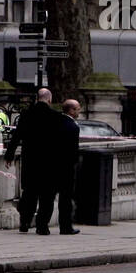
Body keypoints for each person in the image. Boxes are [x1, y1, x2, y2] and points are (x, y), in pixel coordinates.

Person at [4, 88, 63, 235]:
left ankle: (25, 222)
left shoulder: (26, 114)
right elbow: (60, 140)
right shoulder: (55, 116)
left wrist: (9, 155)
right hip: (50, 162)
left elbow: (17, 136)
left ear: (37, 98)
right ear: (49, 99)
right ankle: (42, 225)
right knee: (47, 196)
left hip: (31, 160)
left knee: (29, 193)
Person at [53, 99, 82, 235]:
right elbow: (73, 150)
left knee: (48, 196)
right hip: (67, 166)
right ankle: (65, 226)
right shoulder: (73, 127)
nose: (79, 111)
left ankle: (42, 226)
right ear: (71, 110)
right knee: (66, 198)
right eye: (77, 109)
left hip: (53, 164)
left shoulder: (55, 121)